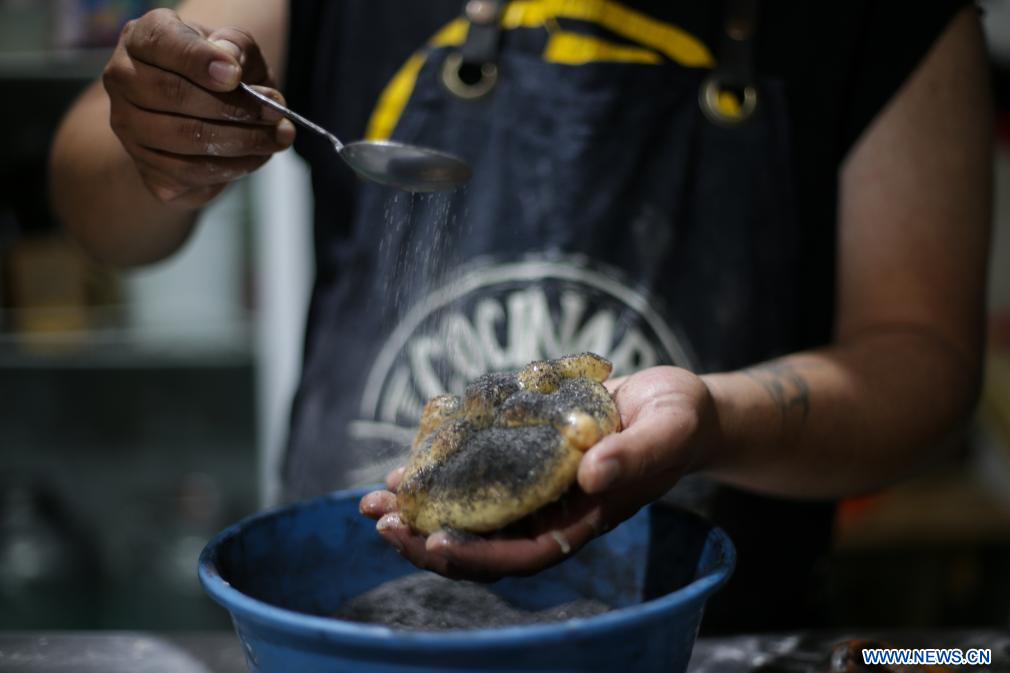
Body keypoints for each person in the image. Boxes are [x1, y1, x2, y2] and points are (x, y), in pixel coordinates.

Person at [50, 0, 992, 629]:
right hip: (355, 613)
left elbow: (925, 361)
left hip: (702, 636)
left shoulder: (883, 14)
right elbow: (93, 206)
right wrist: (160, 139)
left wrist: (716, 416)